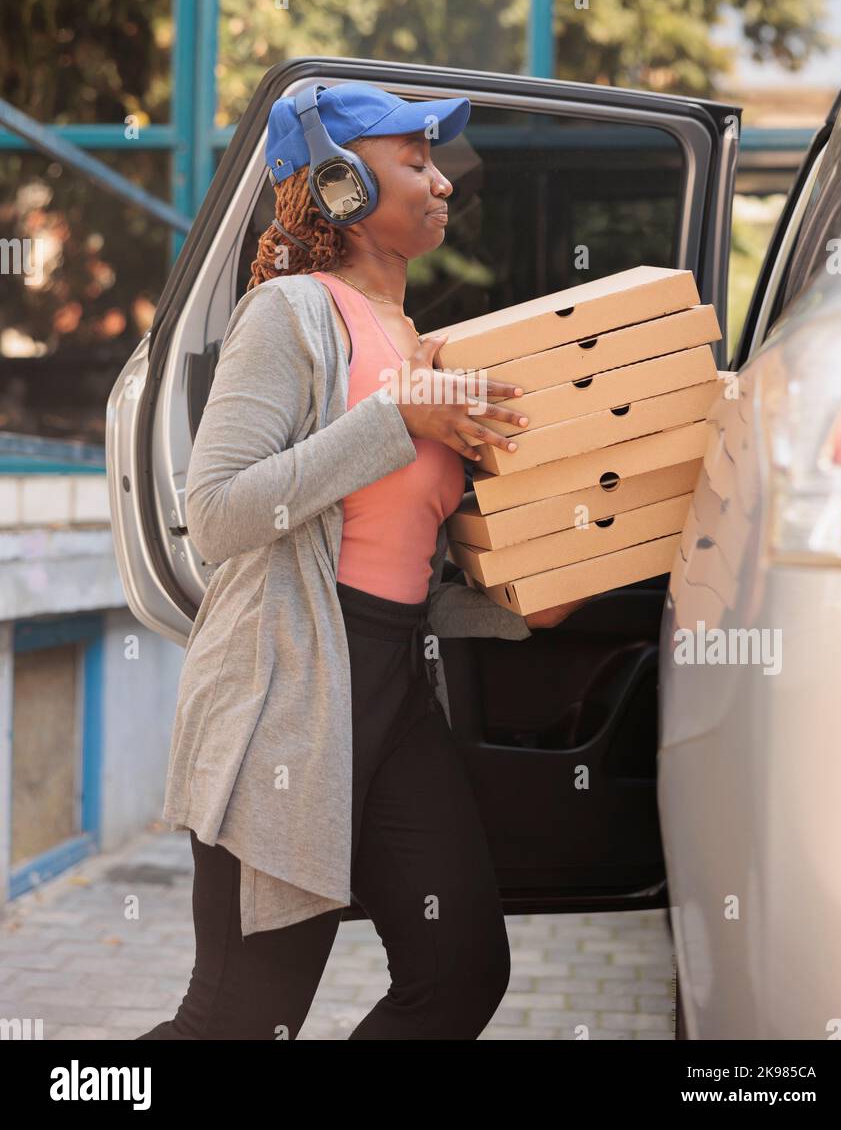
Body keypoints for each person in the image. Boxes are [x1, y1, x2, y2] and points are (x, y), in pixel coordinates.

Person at [136, 83, 583, 1041]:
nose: (441, 179)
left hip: (393, 685)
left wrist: (517, 607)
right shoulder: (291, 313)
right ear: (338, 184)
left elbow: (403, 560)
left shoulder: (421, 342)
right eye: (414, 159)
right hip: (291, 688)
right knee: (241, 1021)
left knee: (460, 970)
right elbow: (215, 514)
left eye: (437, 159)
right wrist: (394, 420)